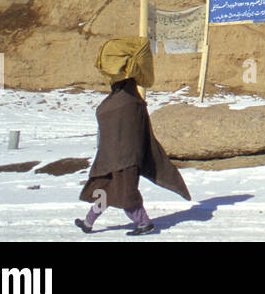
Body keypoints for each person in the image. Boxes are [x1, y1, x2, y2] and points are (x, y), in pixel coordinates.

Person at [76, 37, 190, 236]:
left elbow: (132, 134)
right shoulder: (124, 101)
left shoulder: (128, 104)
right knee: (104, 190)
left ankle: (144, 224)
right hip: (112, 158)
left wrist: (127, 157)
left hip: (125, 159)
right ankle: (87, 223)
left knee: (126, 194)